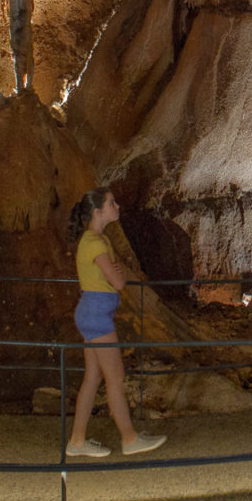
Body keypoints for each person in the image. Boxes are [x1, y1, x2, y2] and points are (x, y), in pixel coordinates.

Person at [64, 188, 166, 457]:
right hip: (96, 317)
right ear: (98, 212)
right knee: (115, 378)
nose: (116, 206)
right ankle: (129, 439)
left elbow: (110, 274)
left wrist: (115, 272)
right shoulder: (96, 244)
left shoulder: (97, 240)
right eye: (111, 203)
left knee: (93, 377)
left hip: (92, 313)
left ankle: (76, 441)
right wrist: (117, 273)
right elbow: (119, 281)